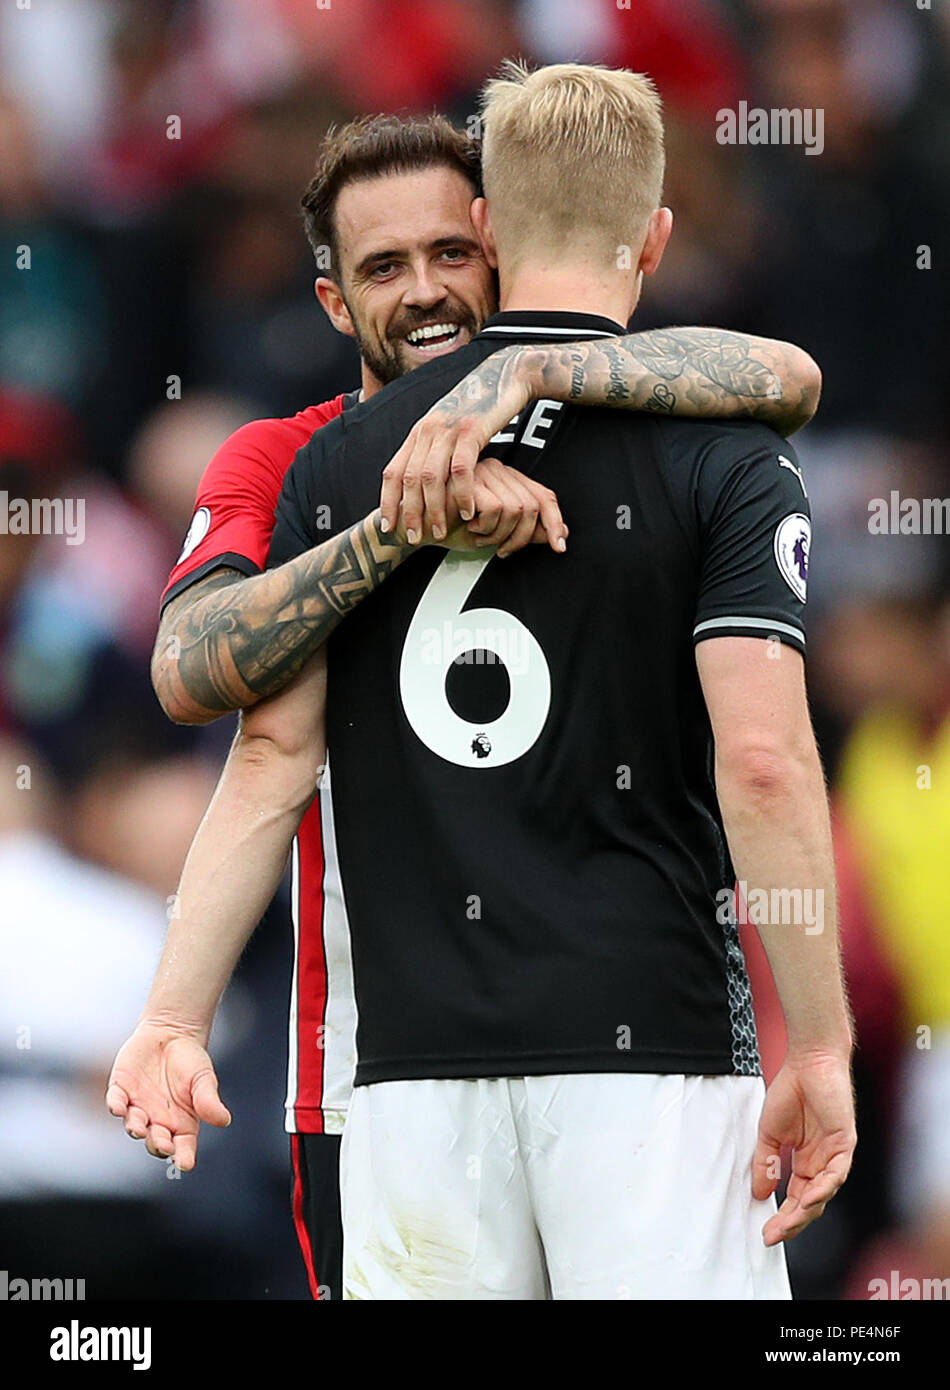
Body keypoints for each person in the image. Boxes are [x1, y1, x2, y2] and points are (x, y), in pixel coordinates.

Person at [108, 104, 828, 1299]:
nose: (429, 290)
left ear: (495, 241)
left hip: (454, 1073)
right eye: (384, 267)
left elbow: (784, 373)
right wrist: (398, 523)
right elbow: (193, 670)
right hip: (357, 1063)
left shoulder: (617, 405)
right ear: (334, 301)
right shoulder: (294, 459)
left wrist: (537, 369)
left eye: (452, 253)